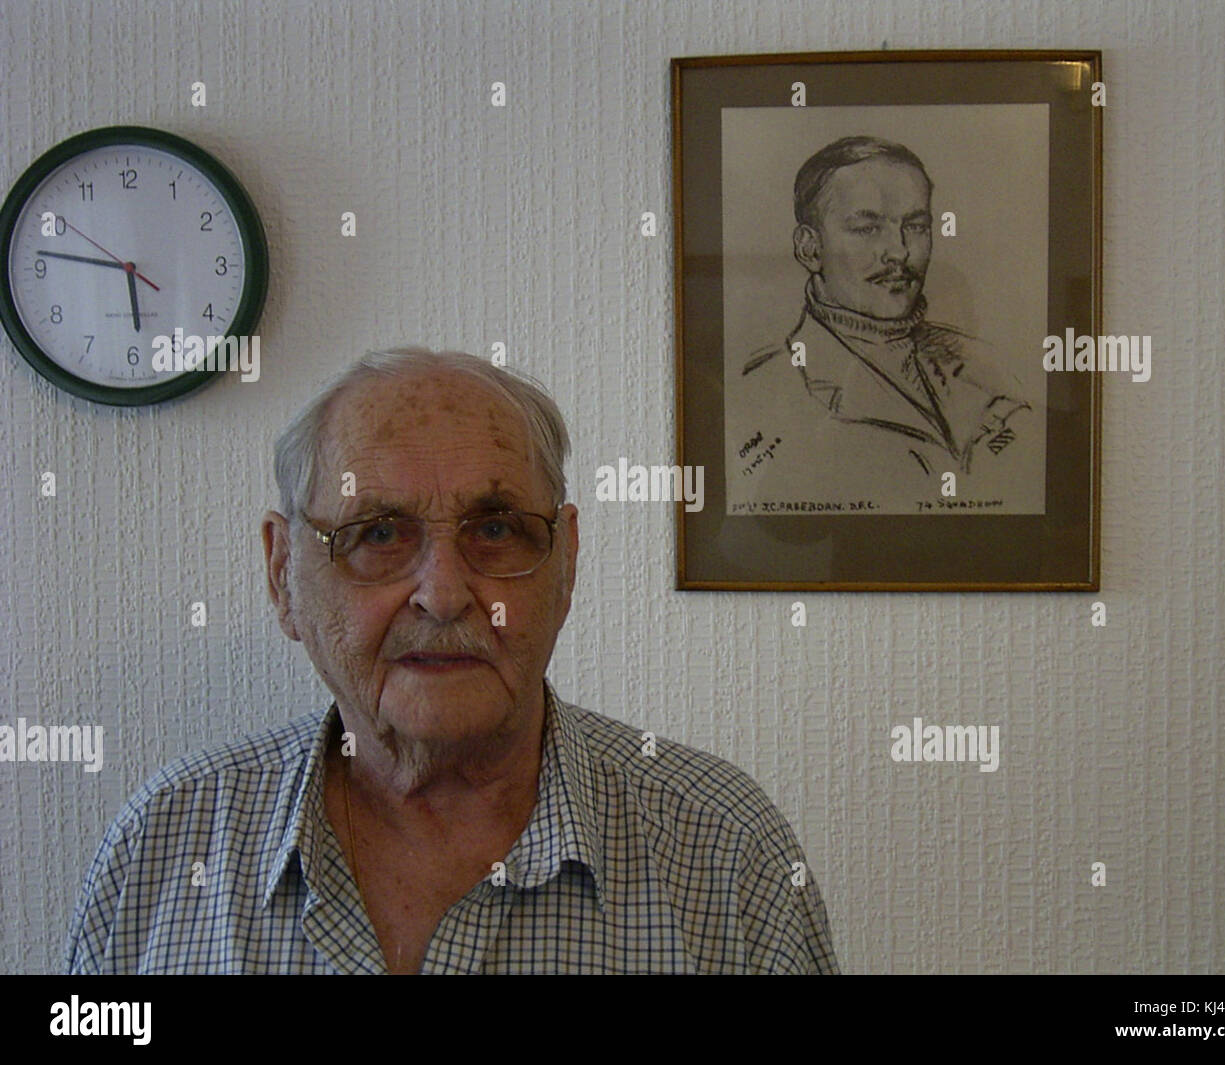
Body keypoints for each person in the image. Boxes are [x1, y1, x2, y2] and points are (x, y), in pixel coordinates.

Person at [64, 347, 839, 974]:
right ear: (282, 575)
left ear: (565, 562)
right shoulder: (160, 848)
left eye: (496, 530)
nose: (442, 594)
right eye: (376, 533)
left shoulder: (728, 853)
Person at [731, 136, 1032, 509]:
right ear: (810, 248)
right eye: (867, 228)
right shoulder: (764, 390)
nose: (899, 251)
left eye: (916, 226)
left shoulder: (989, 367)